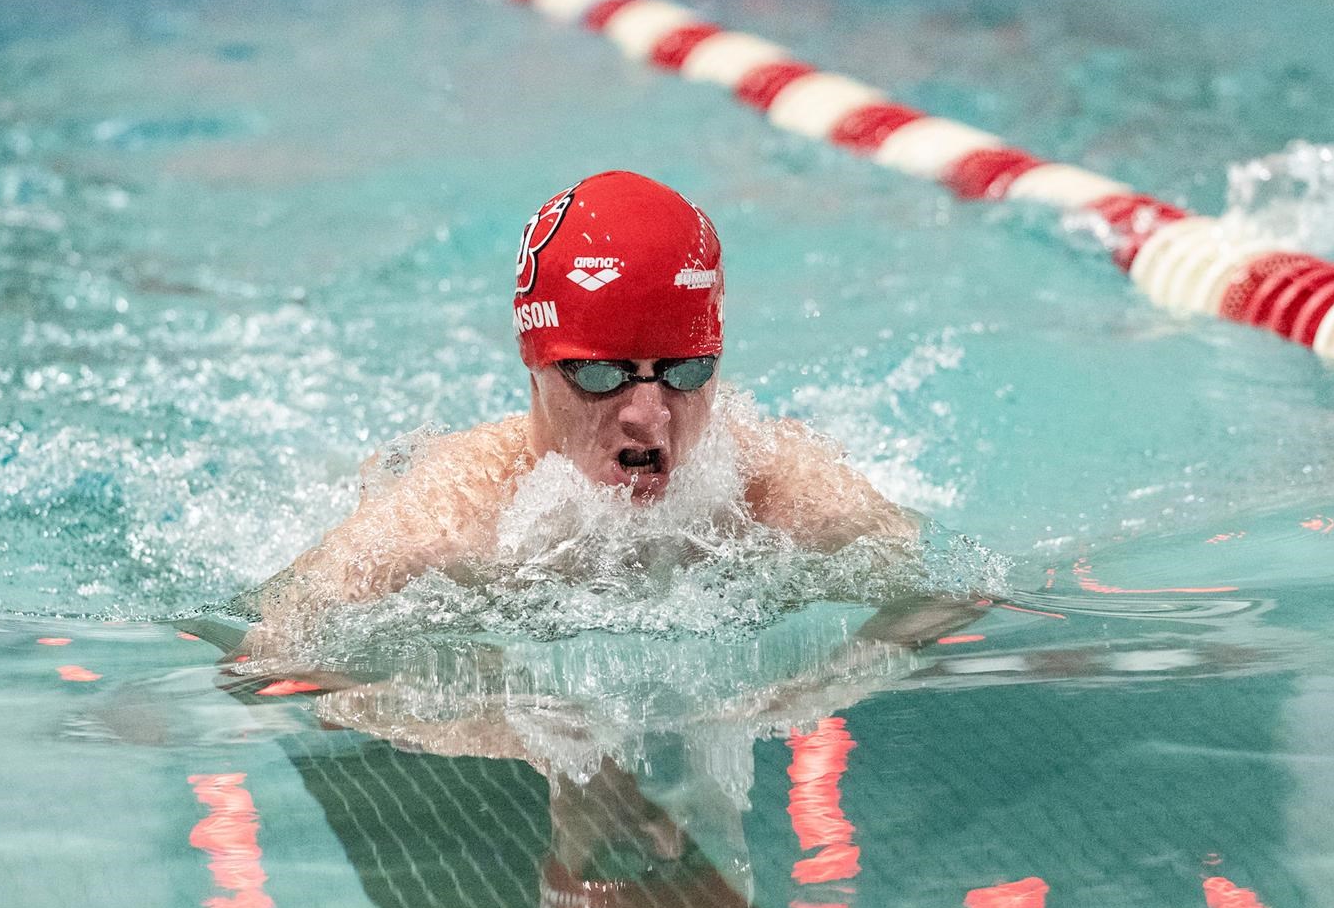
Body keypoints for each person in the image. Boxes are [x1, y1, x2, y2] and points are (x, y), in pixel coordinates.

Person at [253, 170, 918, 626]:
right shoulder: (443, 529)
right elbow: (267, 660)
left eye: (684, 371)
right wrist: (493, 728)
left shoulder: (771, 490)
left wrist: (817, 680)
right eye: (603, 376)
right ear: (534, 360)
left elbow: (942, 603)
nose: (649, 416)